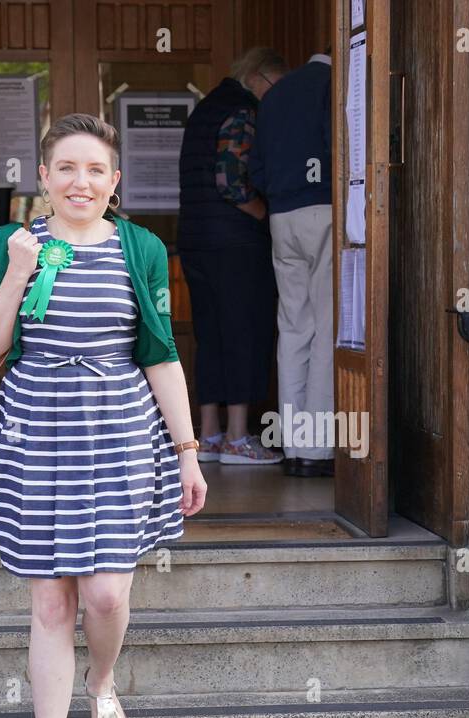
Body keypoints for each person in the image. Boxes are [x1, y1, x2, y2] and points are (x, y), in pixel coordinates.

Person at [0, 113, 208, 718]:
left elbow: (160, 351)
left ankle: (102, 683)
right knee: (49, 604)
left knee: (106, 592)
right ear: (43, 178)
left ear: (114, 182)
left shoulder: (141, 247)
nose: (81, 182)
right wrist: (15, 274)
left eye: (96, 170)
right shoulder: (15, 245)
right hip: (38, 435)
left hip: (120, 434)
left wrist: (188, 448)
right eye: (66, 168)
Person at [178, 47, 288, 466]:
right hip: (235, 243)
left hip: (195, 238)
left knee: (210, 335)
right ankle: (239, 438)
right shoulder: (242, 111)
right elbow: (233, 183)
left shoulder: (205, 108)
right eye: (275, 87)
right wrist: (267, 218)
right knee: (243, 331)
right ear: (259, 77)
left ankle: (208, 434)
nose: (274, 97)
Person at [251, 48, 335, 478]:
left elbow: (256, 168)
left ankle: (291, 445)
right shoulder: (333, 85)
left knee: (293, 325)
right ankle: (317, 450)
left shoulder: (275, 95)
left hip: (281, 214)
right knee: (326, 325)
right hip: (323, 207)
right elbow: (341, 147)